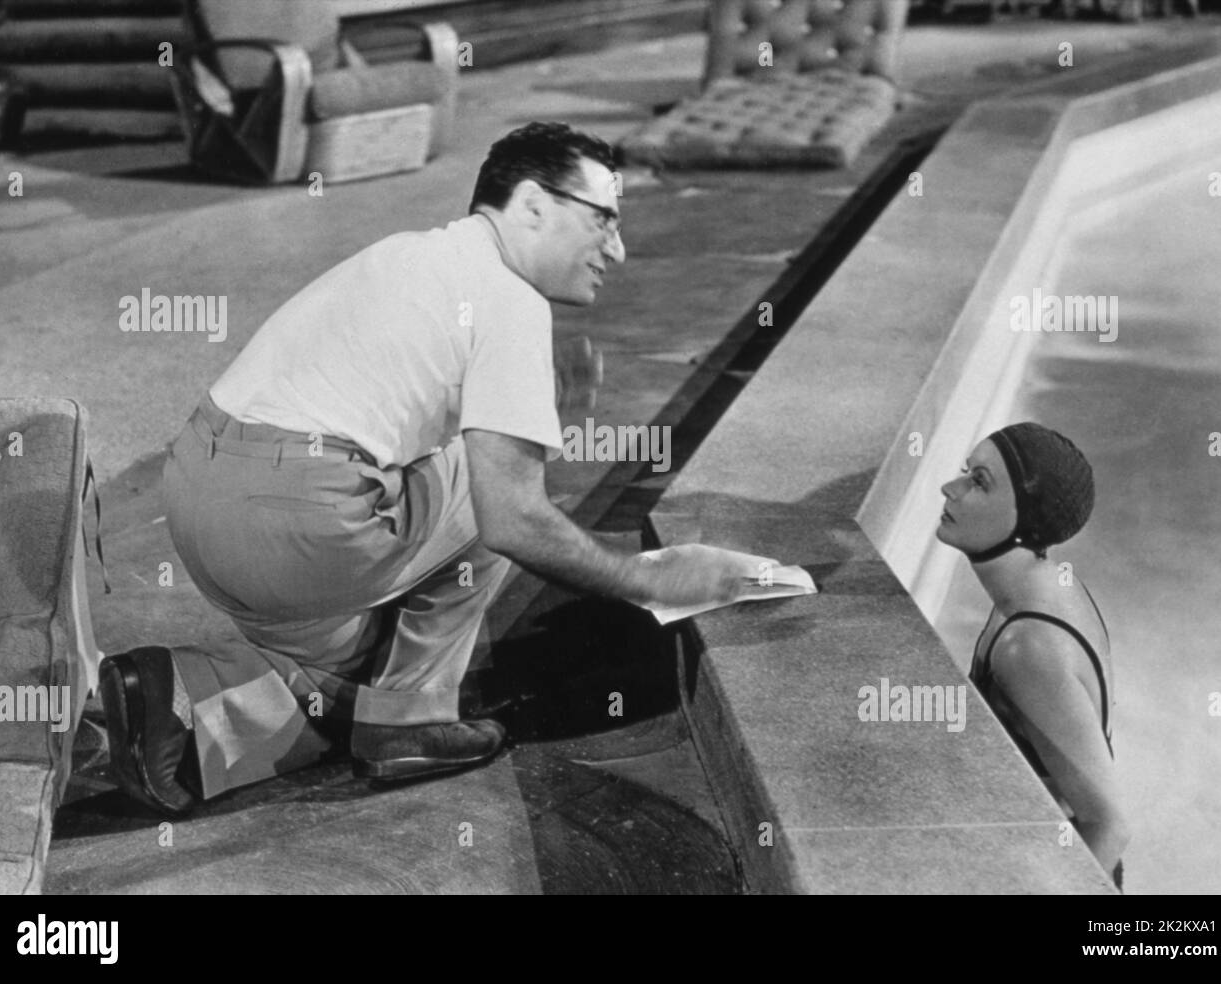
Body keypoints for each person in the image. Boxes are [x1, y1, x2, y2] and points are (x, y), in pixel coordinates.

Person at [99, 121, 756, 817]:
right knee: (500, 487)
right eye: (603, 220)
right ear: (533, 204)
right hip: (297, 523)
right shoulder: (511, 301)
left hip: (197, 499)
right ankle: (410, 723)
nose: (617, 249)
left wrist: (540, 401)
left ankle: (176, 695)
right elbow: (513, 522)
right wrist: (647, 581)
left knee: (340, 672)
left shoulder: (409, 253)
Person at [936, 422, 1129, 889]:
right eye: (966, 472)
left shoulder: (1030, 646)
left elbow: (1109, 826)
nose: (950, 487)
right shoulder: (1041, 582)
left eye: (979, 482)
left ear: (1026, 519)